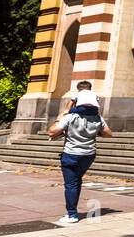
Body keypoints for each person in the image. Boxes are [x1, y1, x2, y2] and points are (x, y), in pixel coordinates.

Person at [47, 90, 111, 224]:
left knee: (70, 184)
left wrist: (61, 117)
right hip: (88, 155)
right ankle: (72, 211)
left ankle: (72, 214)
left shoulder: (71, 117)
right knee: (77, 181)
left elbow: (52, 131)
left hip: (71, 154)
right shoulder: (98, 118)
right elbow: (108, 134)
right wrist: (93, 133)